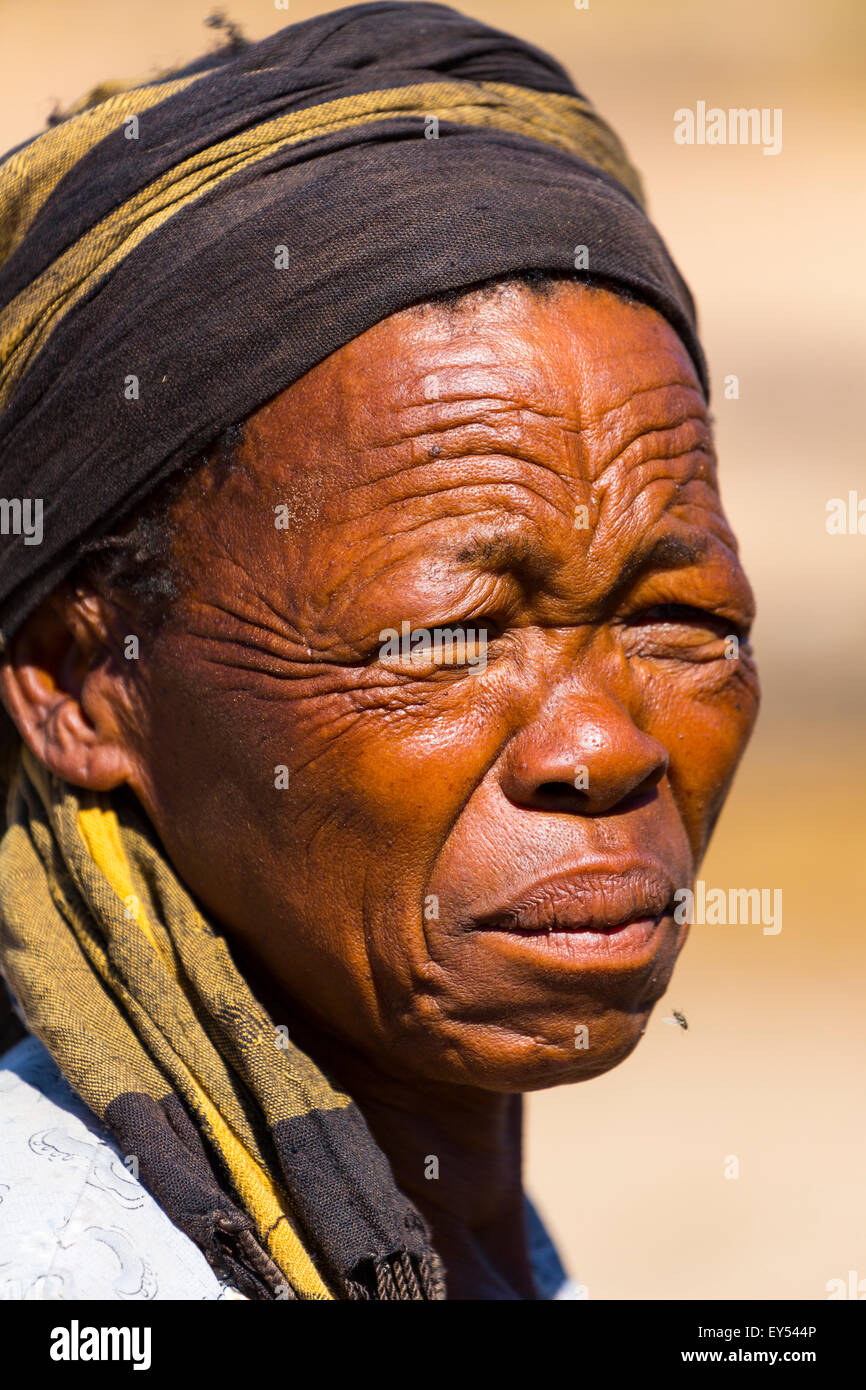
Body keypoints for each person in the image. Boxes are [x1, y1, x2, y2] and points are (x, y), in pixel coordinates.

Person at [0, 2, 759, 1300]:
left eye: (677, 620)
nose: (607, 747)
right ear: (86, 680)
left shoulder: (438, 1244)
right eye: (448, 636)